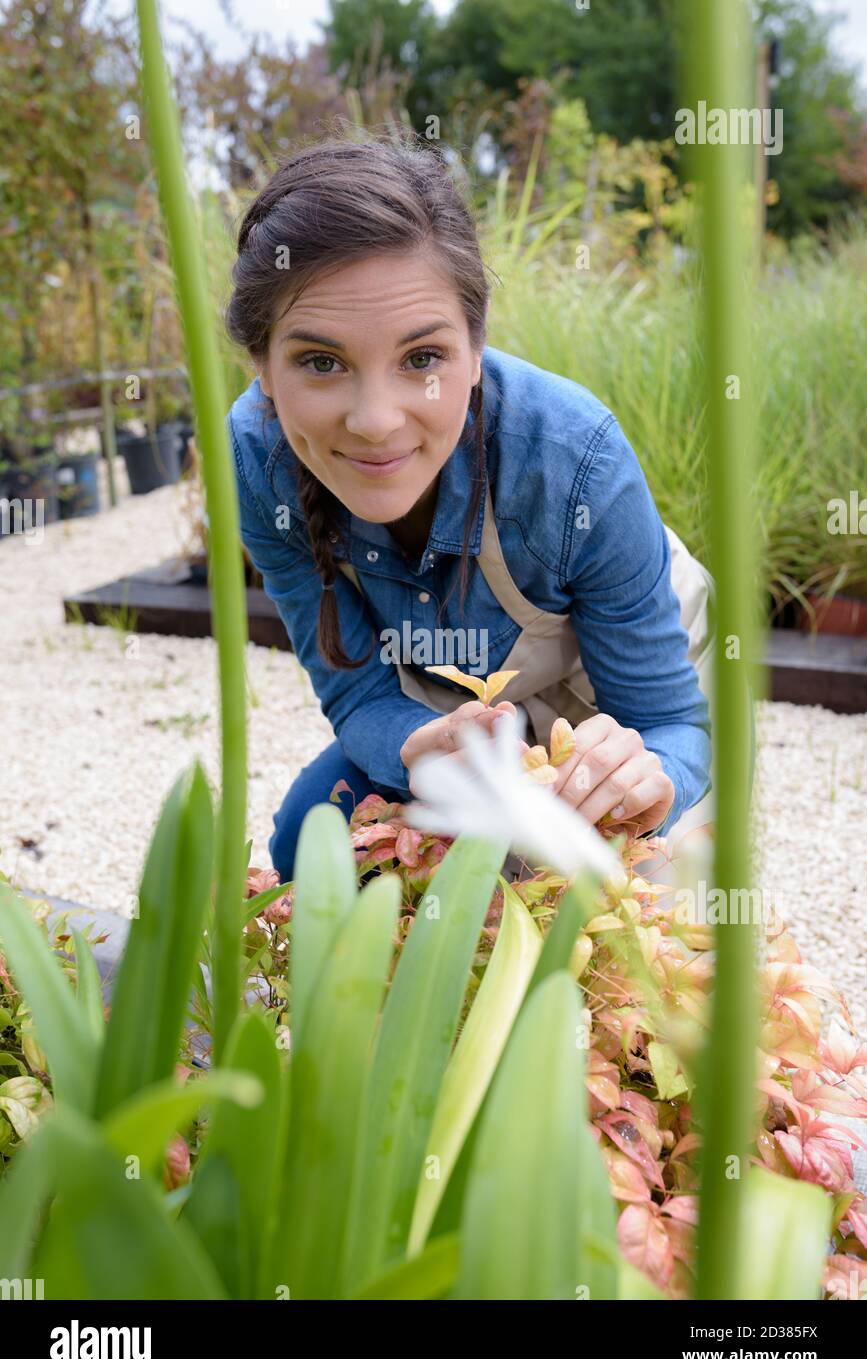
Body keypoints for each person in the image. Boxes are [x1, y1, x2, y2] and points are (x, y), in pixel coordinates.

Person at [225, 135, 748, 885]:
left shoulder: (574, 457)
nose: (375, 420)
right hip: (457, 704)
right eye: (320, 362)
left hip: (621, 704)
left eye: (421, 359)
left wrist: (650, 775)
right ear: (262, 367)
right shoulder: (257, 460)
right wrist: (418, 746)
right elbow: (358, 693)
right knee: (309, 845)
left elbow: (671, 720)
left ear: (475, 350)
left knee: (628, 911)